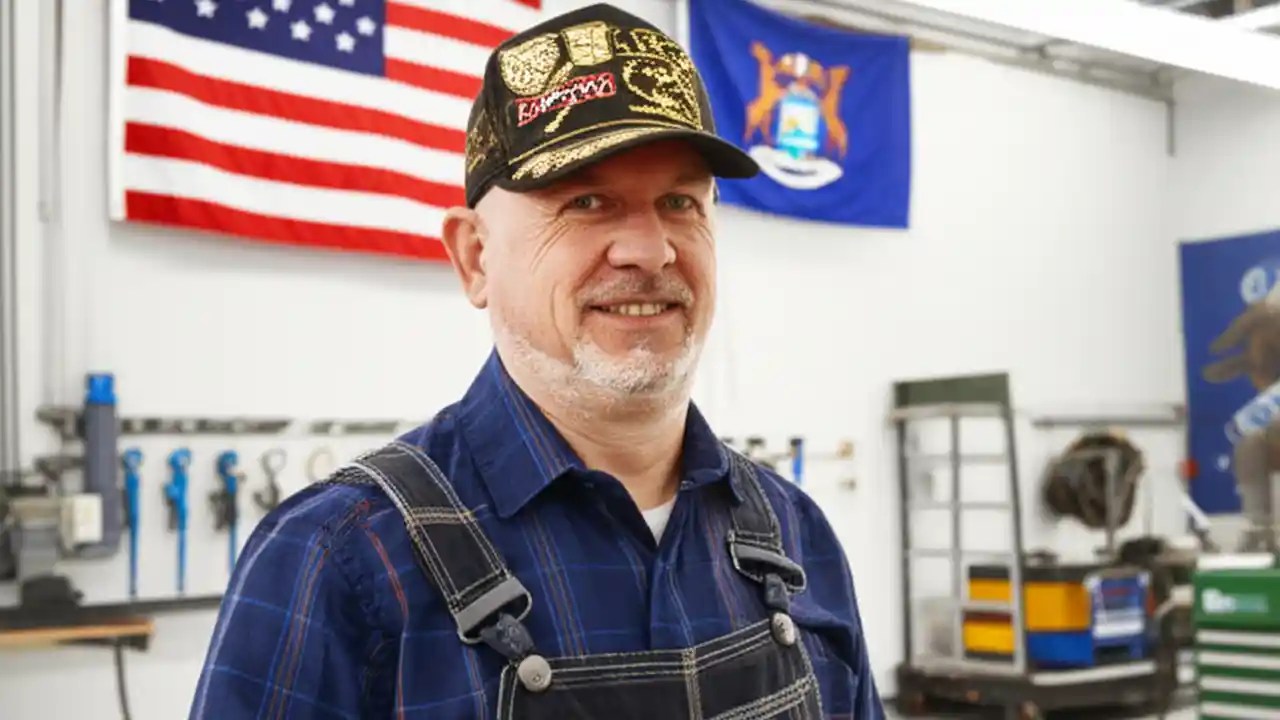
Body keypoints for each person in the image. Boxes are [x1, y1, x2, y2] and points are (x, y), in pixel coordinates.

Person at [189, 3, 883, 718]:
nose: (649, 250)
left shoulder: (799, 534)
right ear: (475, 257)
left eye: (680, 201)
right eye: (586, 201)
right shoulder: (337, 559)